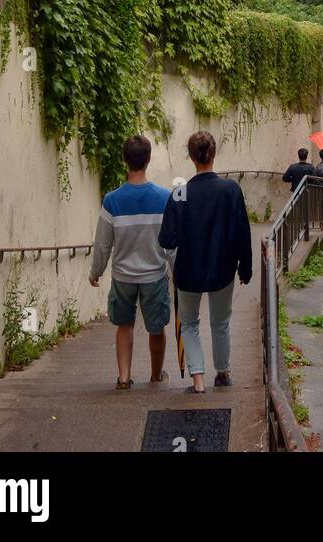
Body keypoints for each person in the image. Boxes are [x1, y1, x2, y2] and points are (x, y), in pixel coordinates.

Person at [158, 130, 252, 394]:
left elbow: (166, 237)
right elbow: (242, 231)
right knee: (220, 321)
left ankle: (197, 380)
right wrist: (245, 267)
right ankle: (222, 373)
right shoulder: (230, 189)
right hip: (222, 268)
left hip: (188, 270)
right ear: (213, 154)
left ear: (191, 157)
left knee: (189, 323)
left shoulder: (179, 194)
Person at [89, 134, 172, 391]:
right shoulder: (164, 198)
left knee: (124, 325)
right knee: (156, 328)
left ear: (125, 160)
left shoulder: (112, 200)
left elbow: (103, 243)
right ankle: (156, 375)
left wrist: (96, 271)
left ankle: (124, 378)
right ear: (148, 160)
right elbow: (172, 243)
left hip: (123, 276)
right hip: (154, 275)